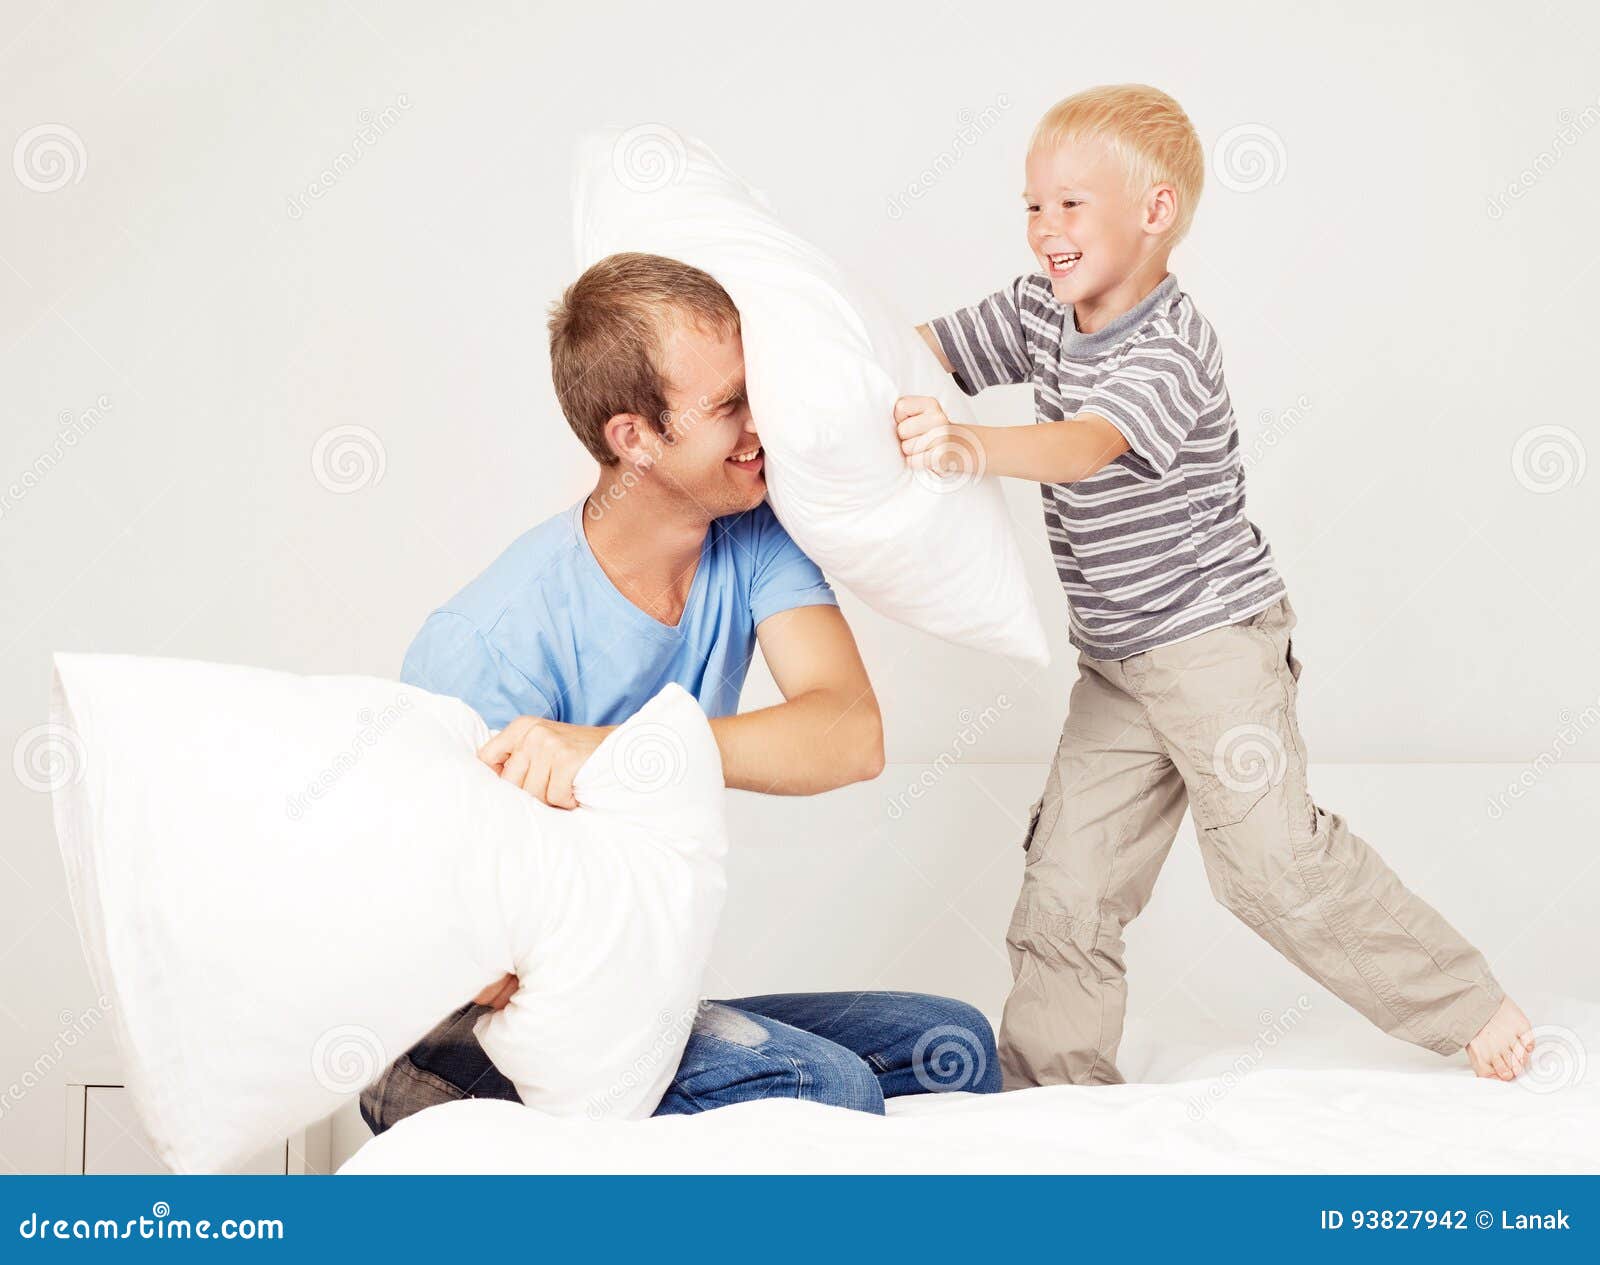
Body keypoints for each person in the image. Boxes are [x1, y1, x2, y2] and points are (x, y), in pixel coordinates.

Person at [894, 83, 1534, 1086]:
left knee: (1272, 868)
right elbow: (915, 352)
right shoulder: (1035, 310)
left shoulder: (1170, 345)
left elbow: (1084, 446)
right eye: (1031, 204)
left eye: (1071, 204)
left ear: (1155, 213)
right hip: (1114, 664)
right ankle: (1054, 1088)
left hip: (1212, 648)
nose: (1044, 229)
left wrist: (968, 445)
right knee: (1068, 876)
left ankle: (1462, 998)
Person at [360, 252, 999, 1134]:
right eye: (728, 406)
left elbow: (851, 733)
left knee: (950, 1043)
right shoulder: (489, 639)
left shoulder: (753, 533)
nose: (759, 427)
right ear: (635, 438)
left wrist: (628, 756)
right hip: (468, 1034)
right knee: (828, 1088)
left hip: (632, 988)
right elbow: (465, 947)